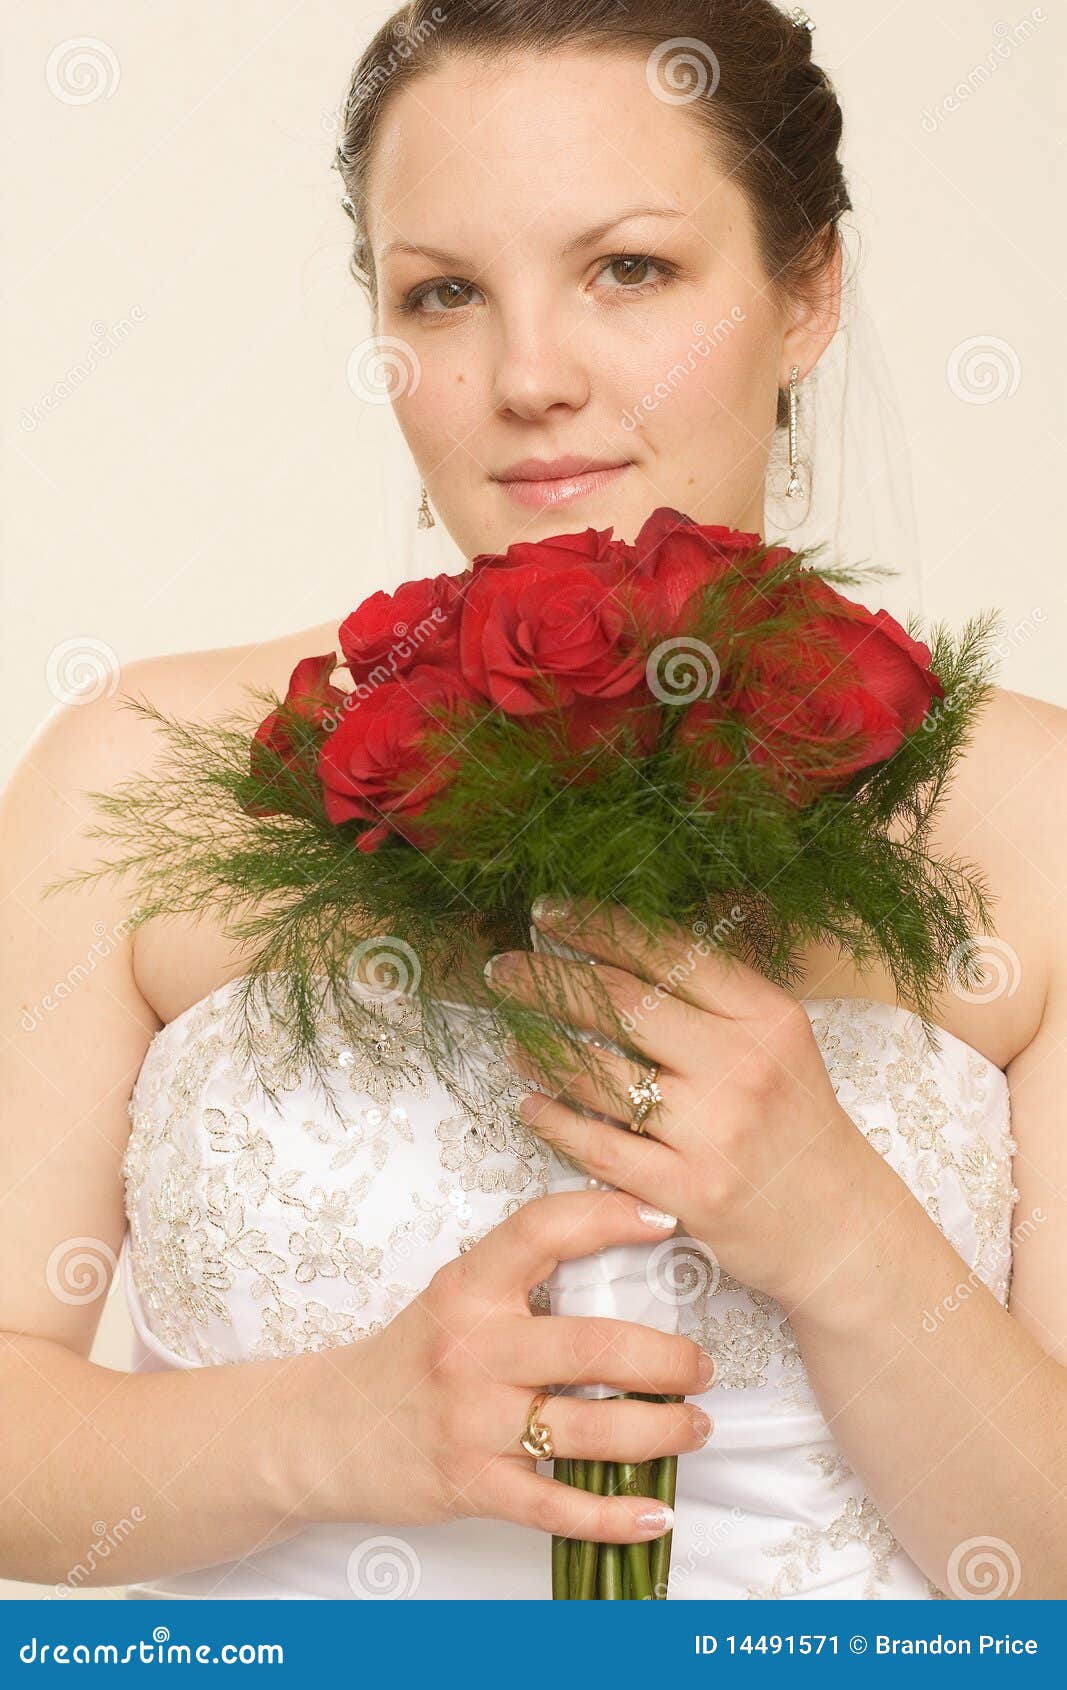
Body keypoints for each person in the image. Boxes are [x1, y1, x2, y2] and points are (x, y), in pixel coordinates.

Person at [2, 0, 1064, 1601]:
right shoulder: (134, 766)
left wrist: (844, 1232)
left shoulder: (1035, 813)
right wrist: (320, 1430)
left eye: (628, 269)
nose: (529, 375)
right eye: (442, 293)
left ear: (807, 291)